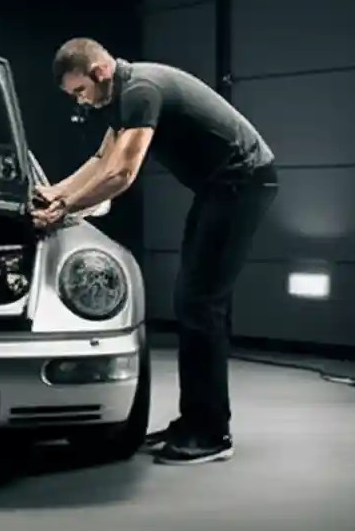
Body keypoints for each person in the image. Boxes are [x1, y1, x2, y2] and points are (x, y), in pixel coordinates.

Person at [32, 37, 278, 465]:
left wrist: (64, 208)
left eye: (80, 91)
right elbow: (101, 162)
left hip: (244, 182)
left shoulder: (141, 90)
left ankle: (211, 433)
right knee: (191, 301)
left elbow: (123, 173)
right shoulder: (124, 93)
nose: (81, 102)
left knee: (201, 304)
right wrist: (52, 193)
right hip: (219, 188)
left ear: (99, 73)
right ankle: (194, 420)